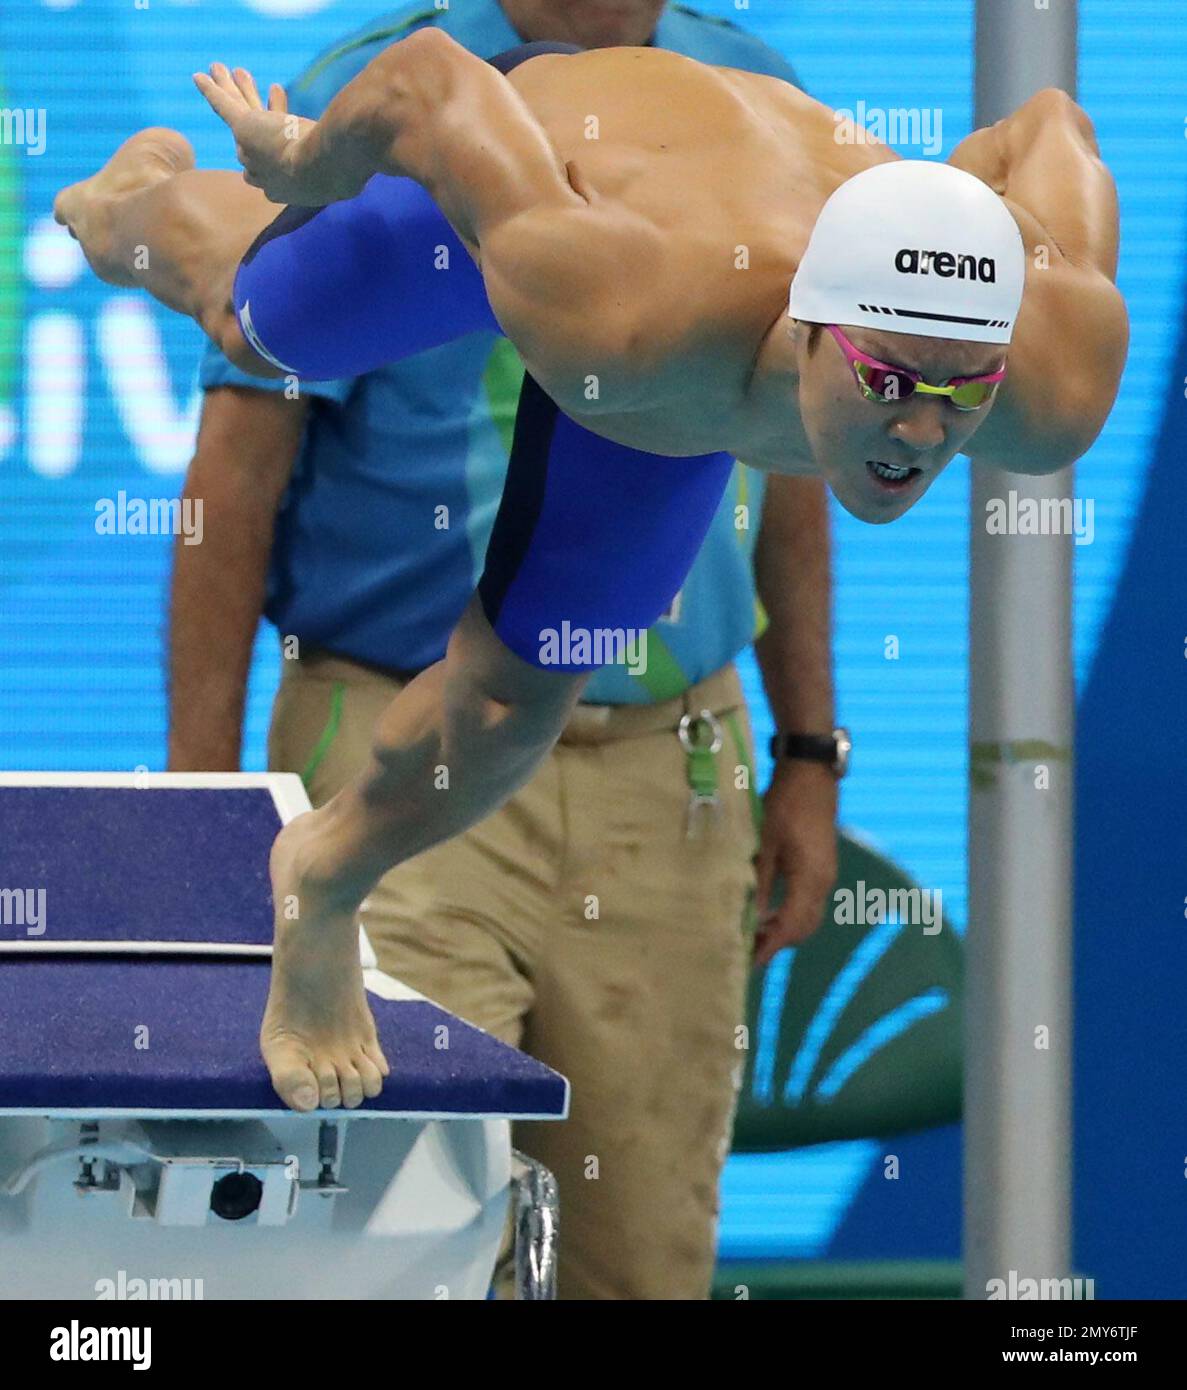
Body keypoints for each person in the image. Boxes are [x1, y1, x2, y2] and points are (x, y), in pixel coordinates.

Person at [56, 34, 1126, 1170]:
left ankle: (319, 877)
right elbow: (431, 80)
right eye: (887, 381)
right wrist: (312, 159)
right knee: (259, 318)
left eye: (957, 391)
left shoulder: (1050, 377)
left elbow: (1047, 124)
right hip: (576, 179)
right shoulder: (616, 302)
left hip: (690, 366)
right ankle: (128, 202)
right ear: (813, 328)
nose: (919, 432)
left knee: (513, 695)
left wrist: (939, 205)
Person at [170, 2, 836, 1302]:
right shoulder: (372, 87)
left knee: (639, 1266)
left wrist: (809, 746)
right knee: (396, 1257)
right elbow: (233, 478)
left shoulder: (753, 84)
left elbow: (797, 436)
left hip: (670, 775)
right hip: (400, 755)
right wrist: (197, 804)